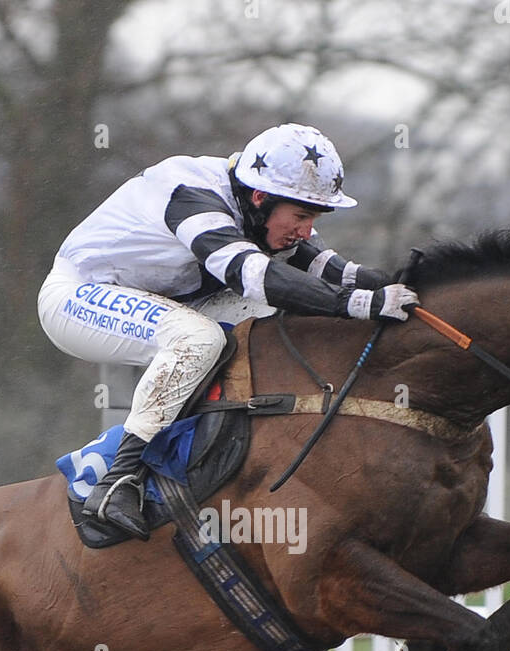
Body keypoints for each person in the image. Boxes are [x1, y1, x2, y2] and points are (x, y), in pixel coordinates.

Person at [38, 122, 420, 539]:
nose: (307, 229)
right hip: (77, 296)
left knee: (269, 321)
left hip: (170, 300)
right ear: (261, 198)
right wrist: (360, 305)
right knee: (201, 338)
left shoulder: (260, 205)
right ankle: (117, 479)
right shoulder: (193, 197)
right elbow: (252, 275)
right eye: (302, 216)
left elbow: (321, 266)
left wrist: (400, 283)